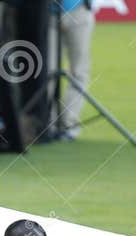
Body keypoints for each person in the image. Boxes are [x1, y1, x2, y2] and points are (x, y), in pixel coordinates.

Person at [49, 0, 94, 141]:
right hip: (47, 13)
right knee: (47, 72)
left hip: (79, 10)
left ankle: (69, 124)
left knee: (78, 71)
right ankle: (47, 124)